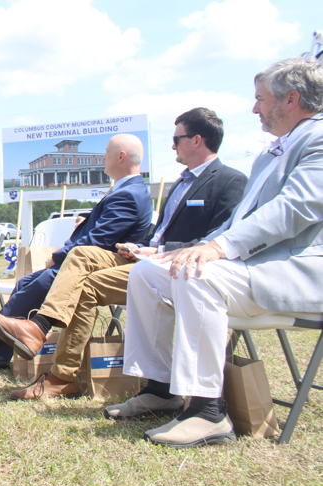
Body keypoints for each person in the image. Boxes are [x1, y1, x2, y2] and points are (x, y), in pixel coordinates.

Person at [108, 57, 323, 449]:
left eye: (261, 99)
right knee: (149, 273)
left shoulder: (319, 140)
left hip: (292, 272)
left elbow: (295, 208)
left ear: (291, 99)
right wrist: (192, 249)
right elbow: (240, 221)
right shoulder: (271, 153)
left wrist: (217, 249)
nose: (254, 108)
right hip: (254, 268)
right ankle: (161, 389)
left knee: (197, 276)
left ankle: (207, 412)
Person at [2, 108, 247, 400]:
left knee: (84, 280)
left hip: (182, 269)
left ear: (197, 140)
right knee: (81, 258)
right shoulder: (181, 183)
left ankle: (52, 359)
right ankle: (50, 355)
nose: (172, 146)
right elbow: (162, 231)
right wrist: (141, 246)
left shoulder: (230, 180)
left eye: (176, 139)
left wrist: (162, 250)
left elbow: (220, 239)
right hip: (146, 258)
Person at [0, 134, 153, 368]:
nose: (103, 157)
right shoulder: (127, 190)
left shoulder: (128, 194)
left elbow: (99, 240)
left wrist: (58, 257)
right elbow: (103, 232)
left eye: (106, 152)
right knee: (25, 283)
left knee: (42, 282)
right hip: (90, 262)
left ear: (121, 156)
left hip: (99, 267)